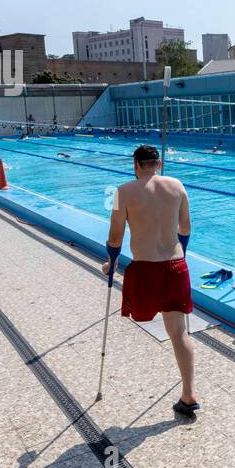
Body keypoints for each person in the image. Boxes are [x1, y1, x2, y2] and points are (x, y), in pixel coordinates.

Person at [102, 145, 198, 416]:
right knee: (179, 333)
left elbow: (115, 236)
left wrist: (111, 261)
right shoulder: (177, 186)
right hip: (176, 267)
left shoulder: (123, 192)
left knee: (143, 320)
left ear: (136, 164)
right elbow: (186, 228)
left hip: (145, 269)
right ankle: (189, 394)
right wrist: (180, 257)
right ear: (158, 164)